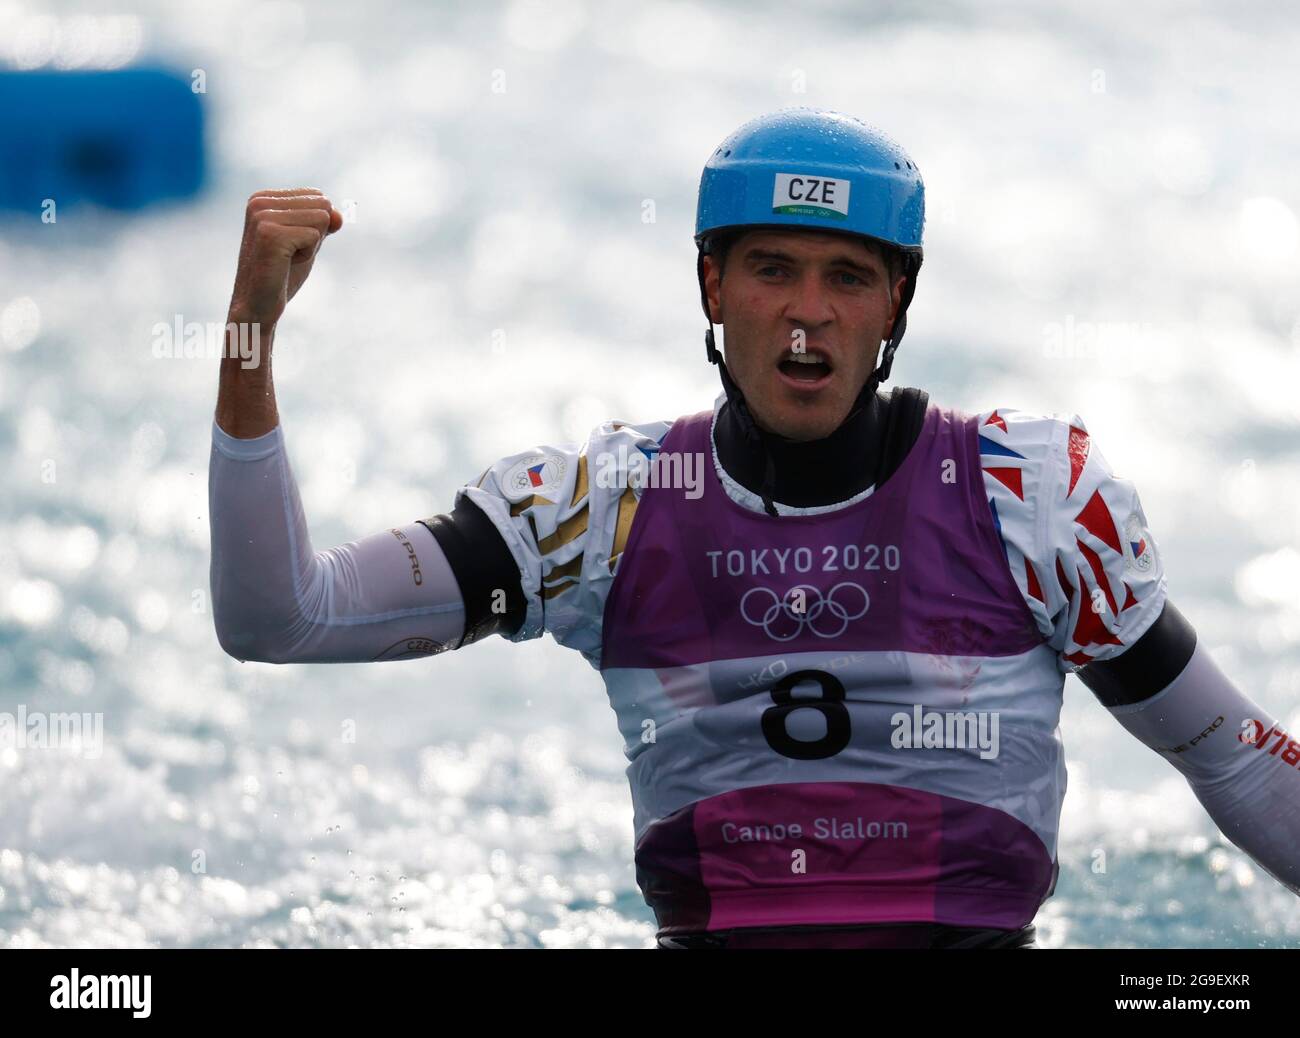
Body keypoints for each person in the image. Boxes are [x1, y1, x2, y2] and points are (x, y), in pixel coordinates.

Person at [209, 108, 1300, 950]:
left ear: (896, 307)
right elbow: (281, 619)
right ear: (712, 286)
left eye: (847, 279)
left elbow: (1236, 766)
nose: (808, 313)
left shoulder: (1032, 499)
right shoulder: (600, 511)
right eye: (771, 270)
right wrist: (249, 339)